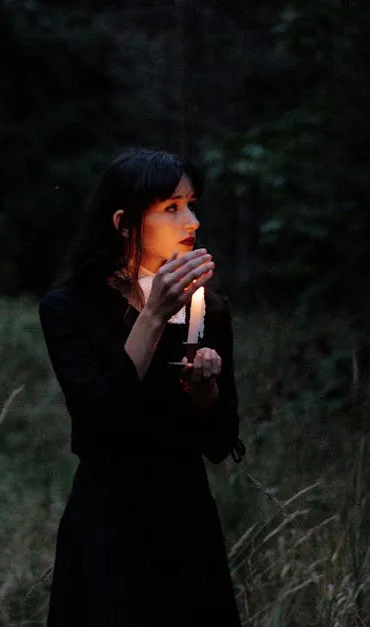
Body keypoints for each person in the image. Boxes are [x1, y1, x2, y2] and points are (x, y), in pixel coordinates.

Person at [38, 148, 246, 626]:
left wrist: (204, 391)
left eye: (191, 203)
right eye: (170, 208)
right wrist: (152, 316)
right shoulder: (70, 308)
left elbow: (218, 443)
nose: (190, 219)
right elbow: (97, 426)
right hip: (109, 519)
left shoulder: (207, 308)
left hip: (184, 515)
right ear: (125, 223)